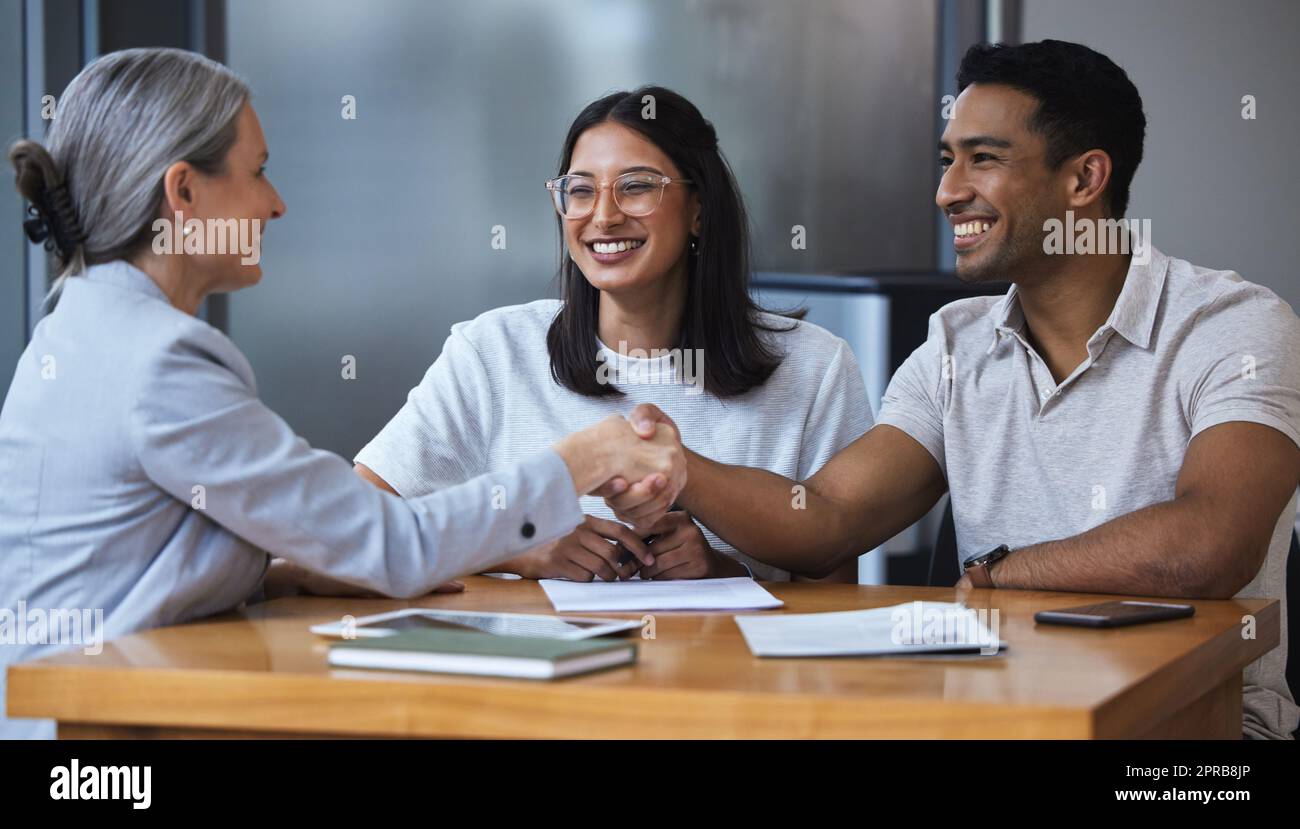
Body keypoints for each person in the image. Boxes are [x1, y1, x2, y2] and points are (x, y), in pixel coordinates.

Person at [608, 41, 1300, 739]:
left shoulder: (1233, 326)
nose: (947, 191)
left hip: (1201, 738)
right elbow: (822, 518)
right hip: (1002, 719)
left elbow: (1210, 542)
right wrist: (680, 470)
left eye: (984, 158)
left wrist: (1004, 573)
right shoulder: (954, 342)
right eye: (948, 160)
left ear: (1085, 178)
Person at [0, 48, 683, 739]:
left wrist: (279, 575)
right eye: (258, 171)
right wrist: (586, 457)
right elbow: (398, 544)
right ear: (184, 193)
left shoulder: (79, 327)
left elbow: (125, 555)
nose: (276, 203)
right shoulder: (161, 362)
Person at [354, 87, 872, 583]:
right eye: (580, 191)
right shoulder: (493, 351)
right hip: (523, 671)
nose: (603, 216)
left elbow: (834, 586)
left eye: (637, 186)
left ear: (699, 209)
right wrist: (516, 544)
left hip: (714, 673)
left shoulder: (814, 366)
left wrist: (722, 569)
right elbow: (365, 520)